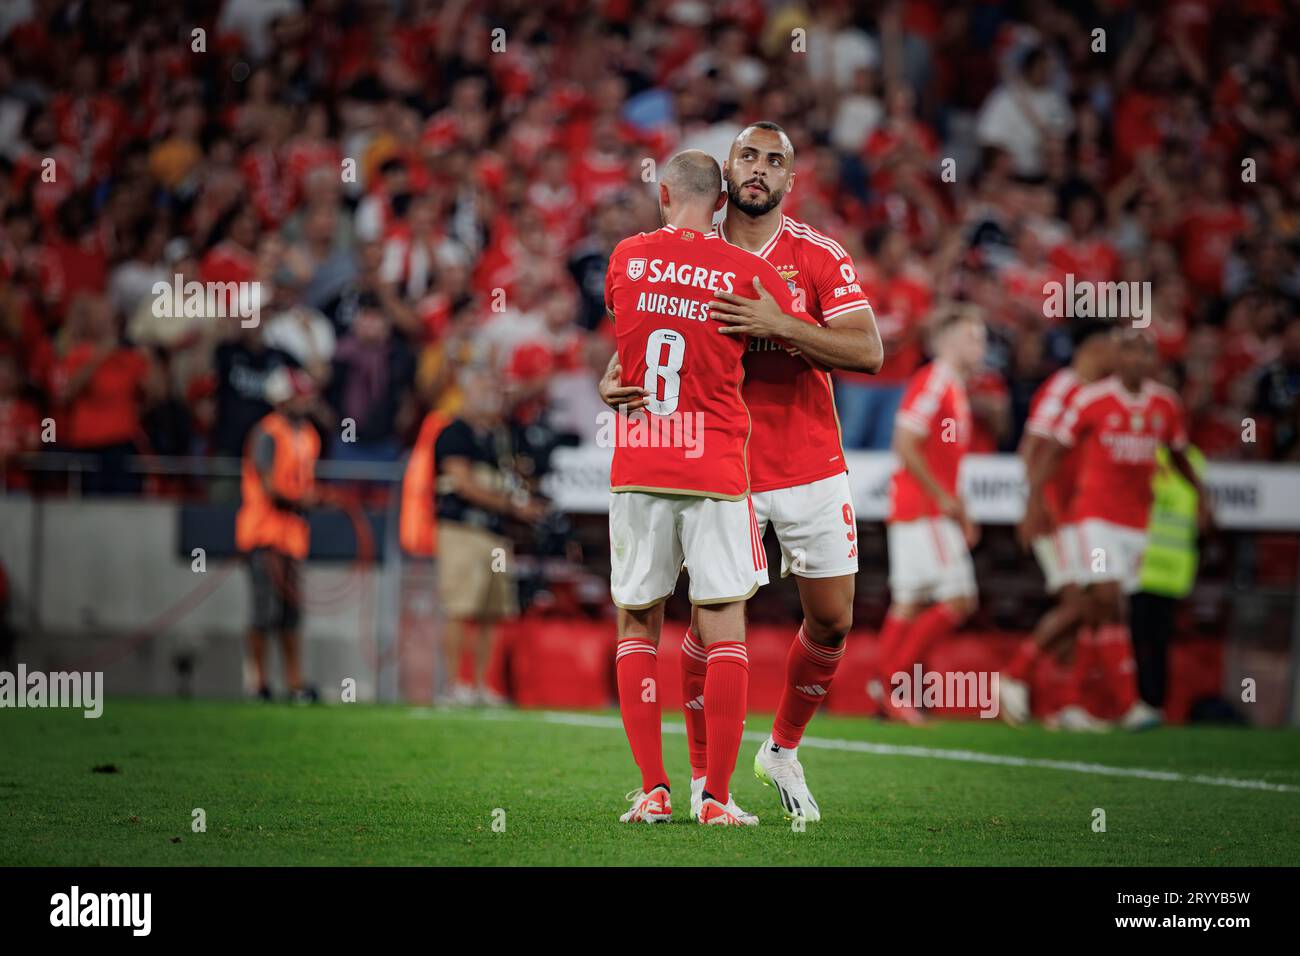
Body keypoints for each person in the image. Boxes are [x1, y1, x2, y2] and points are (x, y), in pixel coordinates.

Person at [600, 122, 882, 823]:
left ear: (790, 180)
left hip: (809, 458)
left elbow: (869, 352)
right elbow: (643, 344)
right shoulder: (696, 251)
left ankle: (781, 748)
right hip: (724, 465)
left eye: (775, 161)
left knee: (833, 622)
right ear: (724, 174)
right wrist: (616, 378)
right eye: (748, 157)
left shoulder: (815, 255)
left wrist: (781, 324)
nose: (760, 169)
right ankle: (703, 781)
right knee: (711, 618)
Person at [1025, 330, 1211, 731]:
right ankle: (1130, 705)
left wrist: (1203, 499)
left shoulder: (1166, 405)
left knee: (1103, 609)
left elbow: (1179, 456)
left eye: (1145, 352)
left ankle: (1067, 700)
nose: (1136, 360)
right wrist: (1034, 501)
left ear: (1154, 361)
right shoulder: (1091, 399)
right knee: (1106, 597)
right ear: (1117, 357)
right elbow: (1051, 452)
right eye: (1128, 351)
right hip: (1093, 517)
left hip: (1135, 524)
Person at [873, 307, 988, 724]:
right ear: (950, 340)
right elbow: (905, 441)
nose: (982, 346)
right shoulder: (936, 379)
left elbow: (945, 459)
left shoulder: (953, 385)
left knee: (908, 601)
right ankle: (892, 684)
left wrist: (962, 509)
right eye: (974, 337)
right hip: (924, 508)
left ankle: (885, 688)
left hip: (922, 507)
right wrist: (944, 499)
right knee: (959, 599)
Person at [1001, 320, 1117, 730]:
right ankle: (1016, 675)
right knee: (1082, 602)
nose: (1118, 356)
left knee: (1090, 604)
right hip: (1057, 516)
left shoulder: (1099, 393)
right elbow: (1033, 445)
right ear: (1093, 347)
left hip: (1080, 517)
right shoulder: (1064, 387)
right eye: (1113, 346)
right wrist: (1034, 503)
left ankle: (1063, 703)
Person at [433, 368, 543, 706]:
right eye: (485, 387)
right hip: (462, 529)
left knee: (492, 610)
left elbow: (520, 476)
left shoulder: (503, 437)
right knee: (461, 606)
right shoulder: (454, 432)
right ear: (467, 393)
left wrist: (522, 496)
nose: (493, 396)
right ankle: (454, 685)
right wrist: (512, 505)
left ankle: (481, 684)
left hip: (495, 533)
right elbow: (463, 484)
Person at [234, 367, 322, 703]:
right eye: (301, 394)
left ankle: (294, 681)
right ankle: (257, 680)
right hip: (264, 532)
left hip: (293, 536)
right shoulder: (267, 433)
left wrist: (308, 499)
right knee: (264, 611)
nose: (307, 399)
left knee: (290, 612)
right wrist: (305, 499)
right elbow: (269, 485)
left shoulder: (308, 434)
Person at [1130, 444, 1207, 713]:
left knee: (1158, 641)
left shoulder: (1194, 459)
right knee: (1137, 640)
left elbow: (1200, 514)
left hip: (1168, 570)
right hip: (1142, 566)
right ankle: (1138, 701)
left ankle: (1155, 704)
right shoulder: (1144, 454)